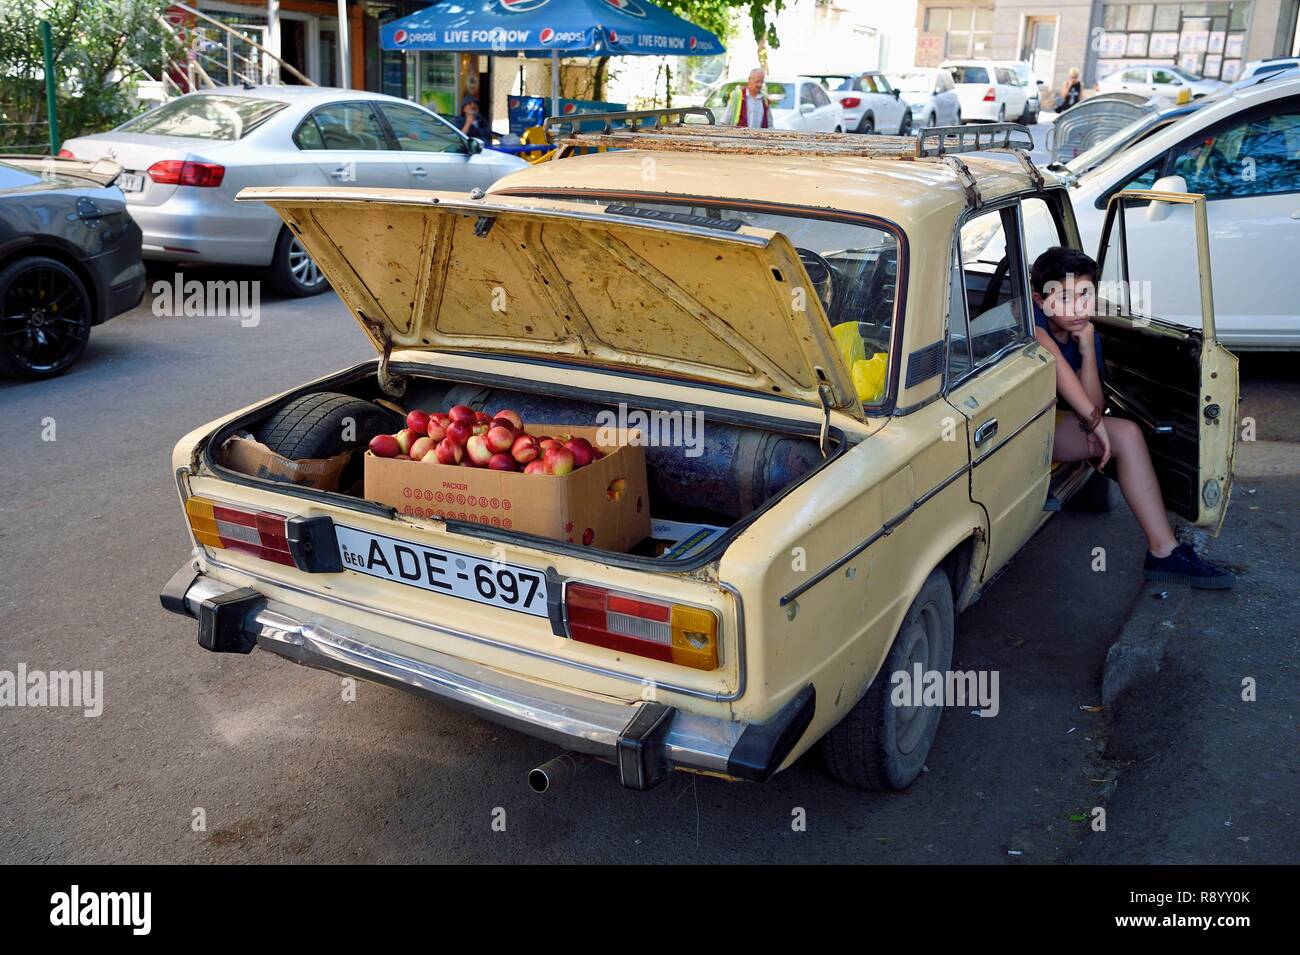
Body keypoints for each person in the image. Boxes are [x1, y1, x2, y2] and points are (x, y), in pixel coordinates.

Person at [1030, 247, 1234, 588]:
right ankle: (1164, 549)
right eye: (1064, 297)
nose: (1079, 307)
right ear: (1039, 300)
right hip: (1018, 428)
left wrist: (1087, 351)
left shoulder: (1084, 330)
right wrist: (1097, 427)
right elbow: (1067, 382)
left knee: (1128, 434)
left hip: (1049, 421)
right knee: (1117, 433)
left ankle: (1164, 550)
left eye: (1085, 295)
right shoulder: (1034, 327)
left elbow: (1092, 402)